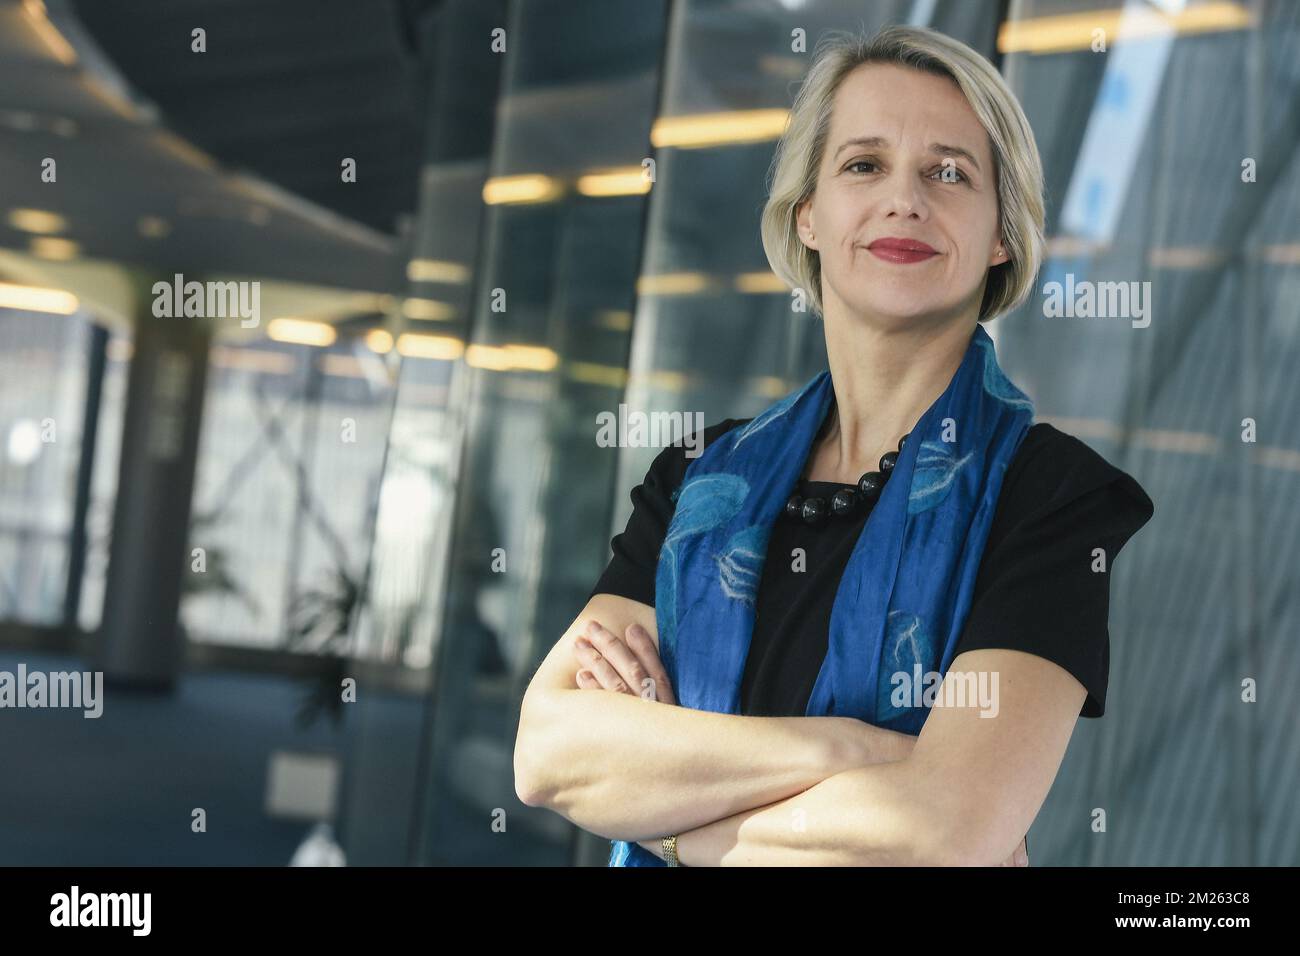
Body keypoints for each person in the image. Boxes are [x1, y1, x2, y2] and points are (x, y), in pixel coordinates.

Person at [514, 24, 1154, 867]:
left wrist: (662, 821)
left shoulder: (1051, 498)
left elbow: (945, 831)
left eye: (949, 172)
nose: (905, 199)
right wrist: (850, 750)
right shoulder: (695, 482)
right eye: (863, 165)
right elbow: (551, 755)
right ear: (808, 214)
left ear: (1001, 233)